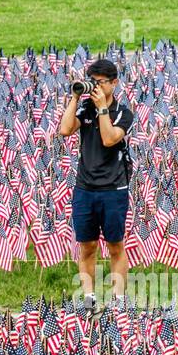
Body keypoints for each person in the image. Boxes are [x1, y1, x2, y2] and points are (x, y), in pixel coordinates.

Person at [58, 58, 135, 314]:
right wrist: (75, 98)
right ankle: (89, 300)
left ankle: (118, 301)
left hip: (113, 189)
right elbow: (65, 129)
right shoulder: (86, 109)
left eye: (100, 83)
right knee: (87, 246)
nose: (96, 88)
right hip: (85, 188)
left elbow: (109, 138)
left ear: (114, 83)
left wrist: (102, 109)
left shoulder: (124, 112)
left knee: (115, 245)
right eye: (93, 82)